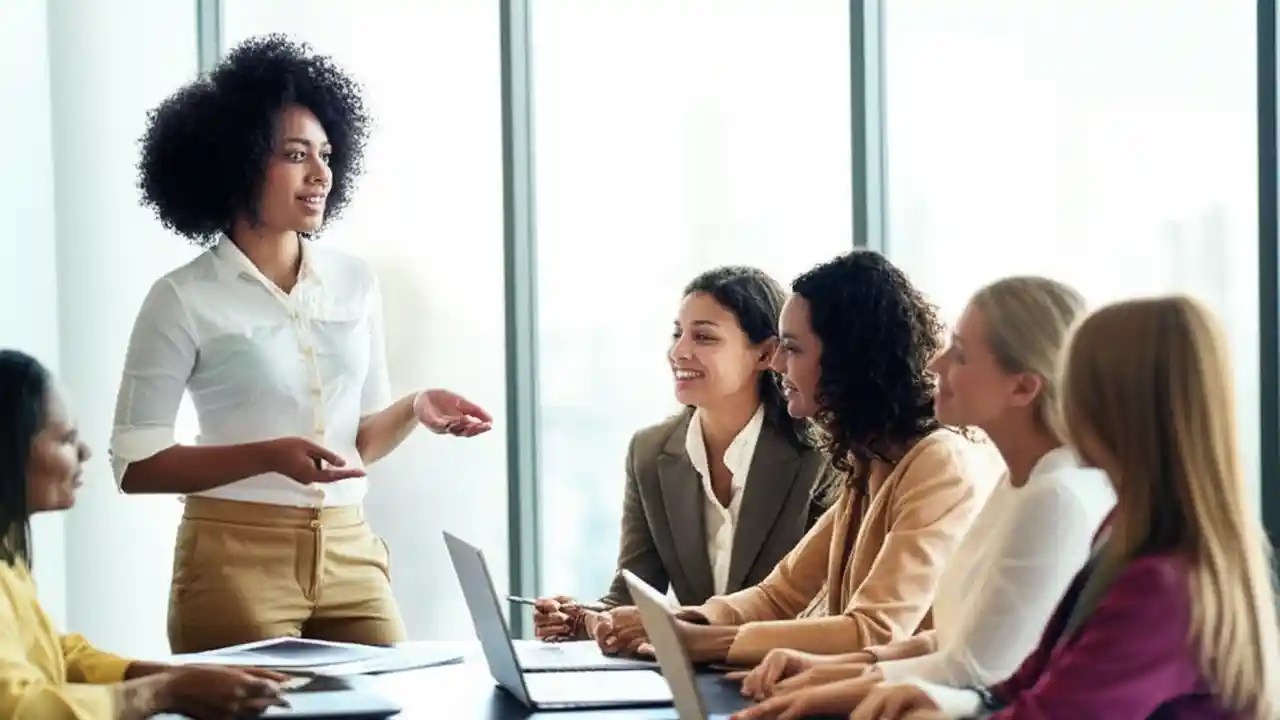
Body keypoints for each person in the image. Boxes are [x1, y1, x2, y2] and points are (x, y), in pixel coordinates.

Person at [113, 34, 493, 653]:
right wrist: (269, 455)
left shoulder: (355, 281)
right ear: (237, 163)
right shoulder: (181, 297)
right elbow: (135, 465)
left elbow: (356, 445)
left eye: (326, 154)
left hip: (350, 549)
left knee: (391, 696)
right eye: (295, 155)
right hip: (234, 560)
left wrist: (415, 407)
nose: (321, 174)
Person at [852, 296, 1280, 720]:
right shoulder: (1126, 530)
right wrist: (941, 702)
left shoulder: (1161, 584)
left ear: (1115, 407)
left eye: (1074, 385)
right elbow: (1032, 680)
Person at [592, 250, 1001, 667]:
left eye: (792, 348)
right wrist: (674, 623)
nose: (777, 363)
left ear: (846, 358)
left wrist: (703, 642)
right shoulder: (869, 460)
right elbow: (779, 595)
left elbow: (873, 630)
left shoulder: (939, 463)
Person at [730, 277, 1116, 718]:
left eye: (960, 354)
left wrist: (821, 692)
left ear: (1022, 388)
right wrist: (831, 669)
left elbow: (973, 673)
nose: (935, 363)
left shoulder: (1054, 499)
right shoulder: (1021, 482)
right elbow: (955, 641)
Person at [532, 267, 832, 642]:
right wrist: (579, 619)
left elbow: (820, 610)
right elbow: (633, 595)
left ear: (766, 354)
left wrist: (688, 632)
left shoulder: (821, 457)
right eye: (678, 334)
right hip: (690, 672)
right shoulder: (650, 452)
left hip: (781, 667)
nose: (679, 352)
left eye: (704, 337)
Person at [0, 349, 295, 719]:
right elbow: (18, 709)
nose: (85, 451)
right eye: (66, 438)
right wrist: (165, 691)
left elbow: (50, 653)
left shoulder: (9, 553)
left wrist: (170, 675)